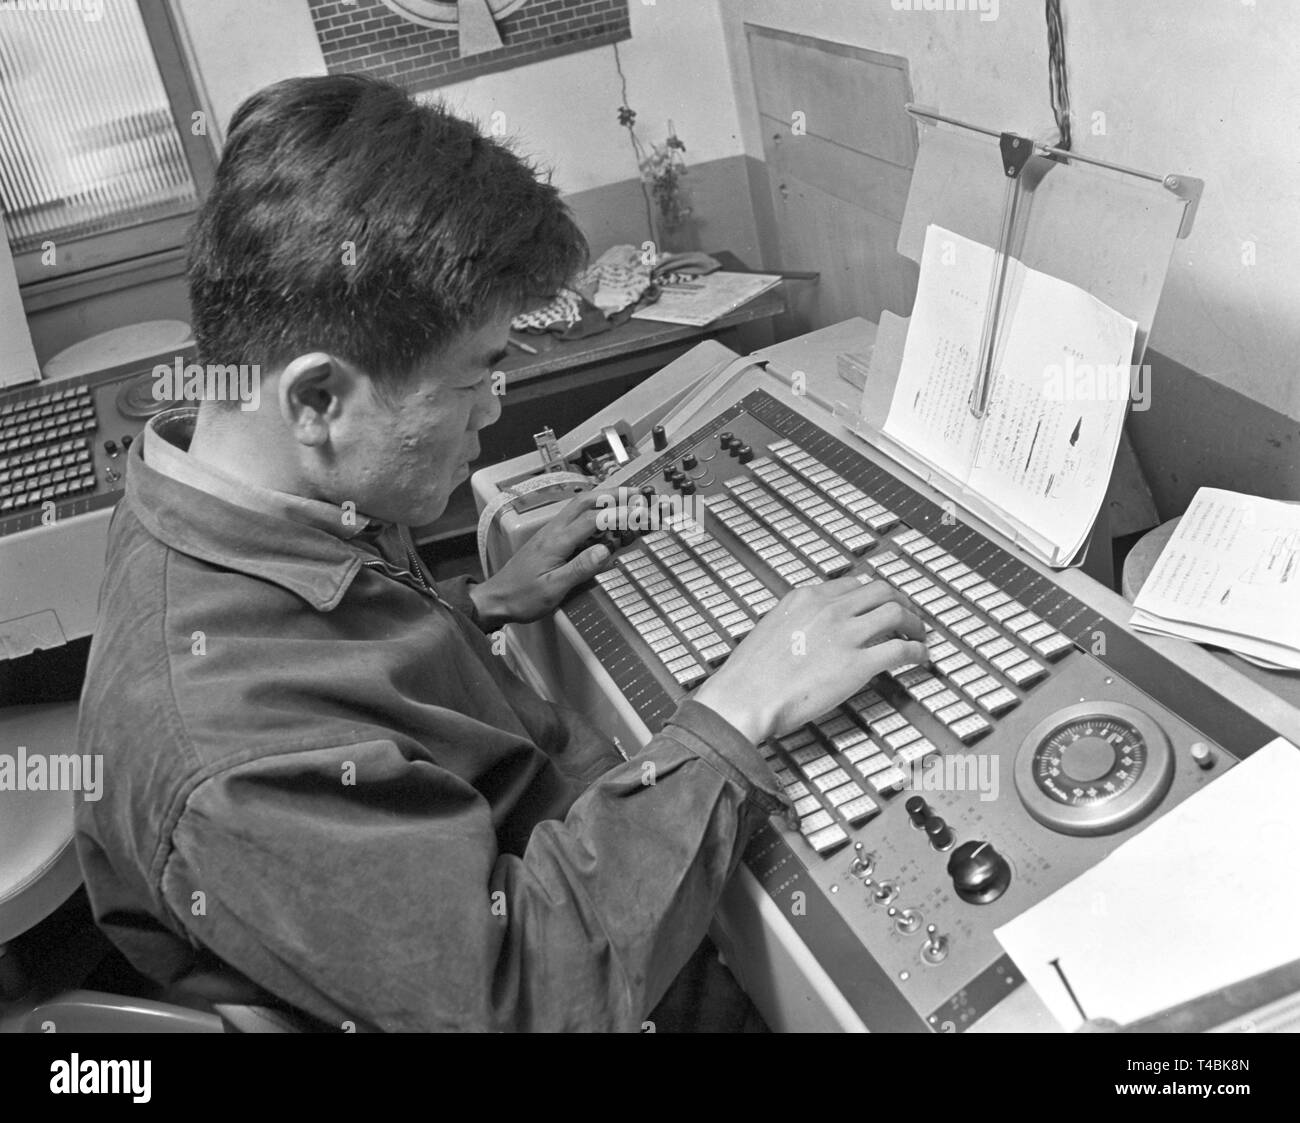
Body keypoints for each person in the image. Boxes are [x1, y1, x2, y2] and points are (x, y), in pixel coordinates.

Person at [75, 74, 928, 1032]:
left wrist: (473, 604)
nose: (495, 408)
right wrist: (734, 711)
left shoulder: (219, 488)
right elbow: (529, 993)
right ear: (317, 401)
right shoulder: (232, 764)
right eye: (478, 373)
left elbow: (329, 649)